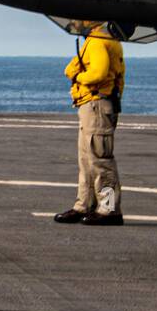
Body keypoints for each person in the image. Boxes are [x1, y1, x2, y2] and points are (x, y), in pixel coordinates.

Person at [54, 22, 126, 226]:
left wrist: (78, 76)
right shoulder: (101, 39)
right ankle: (83, 205)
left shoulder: (98, 41)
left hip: (97, 105)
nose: (74, 23)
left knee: (100, 161)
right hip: (92, 105)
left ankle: (109, 209)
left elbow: (99, 73)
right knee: (86, 160)